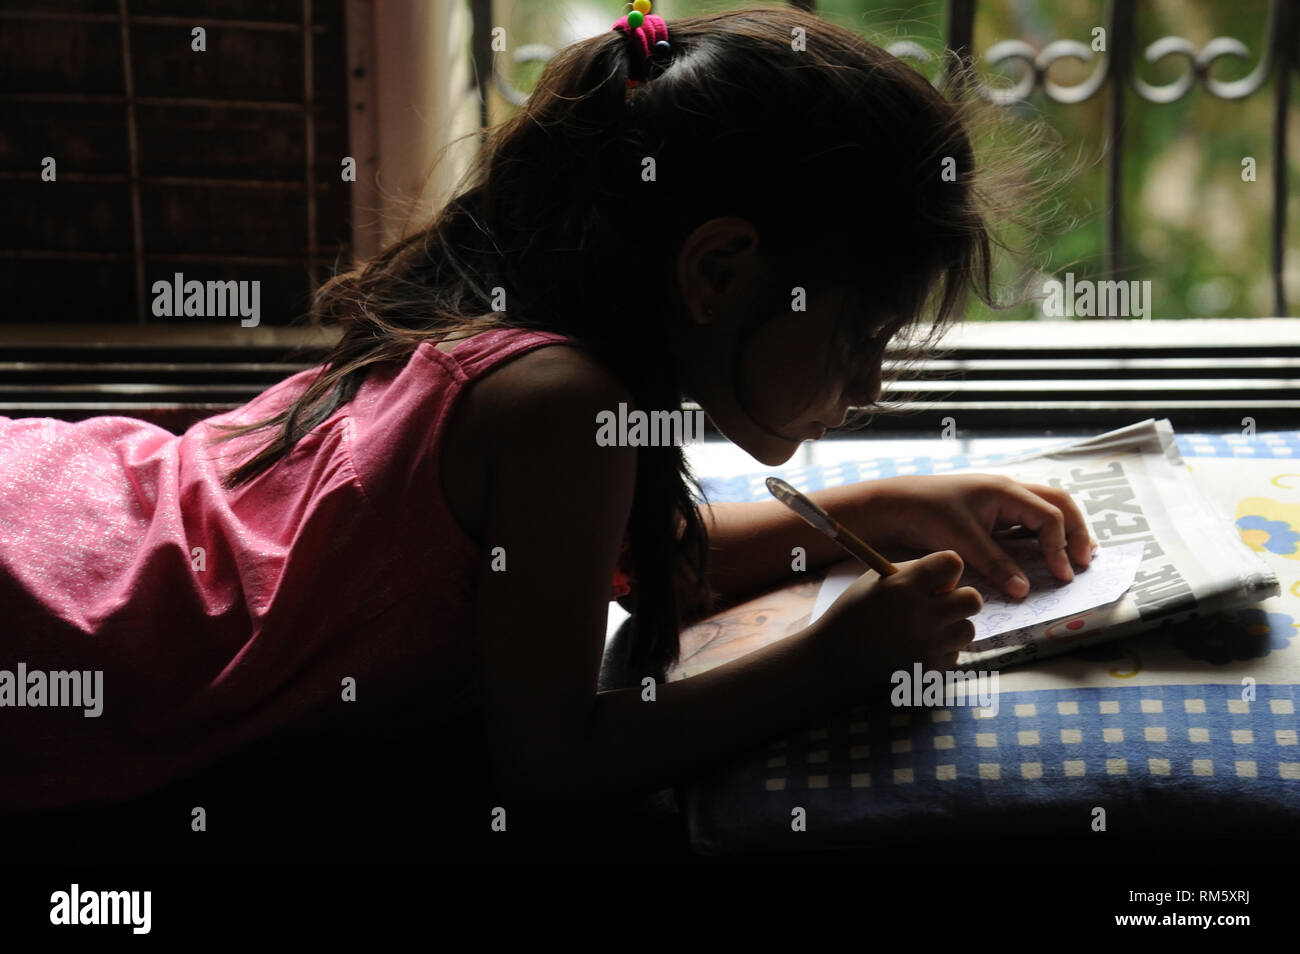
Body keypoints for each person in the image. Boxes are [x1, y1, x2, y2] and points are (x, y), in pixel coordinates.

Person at [0, 4, 1094, 852]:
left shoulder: (537, 345)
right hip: (51, 618)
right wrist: (838, 661)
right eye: (864, 336)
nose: (868, 388)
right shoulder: (566, 411)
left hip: (81, 511)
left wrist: (892, 504)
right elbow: (552, 761)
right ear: (719, 270)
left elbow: (601, 575)